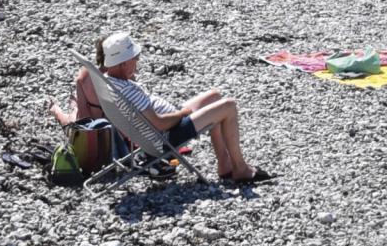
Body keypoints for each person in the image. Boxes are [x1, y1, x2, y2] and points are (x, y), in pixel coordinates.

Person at [51, 30, 266, 184]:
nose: (137, 62)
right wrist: (184, 113)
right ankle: (240, 168)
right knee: (228, 106)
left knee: (215, 96)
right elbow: (158, 122)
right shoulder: (129, 90)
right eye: (135, 58)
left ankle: (225, 165)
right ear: (124, 63)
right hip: (165, 136)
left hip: (156, 127)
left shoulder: (110, 82)